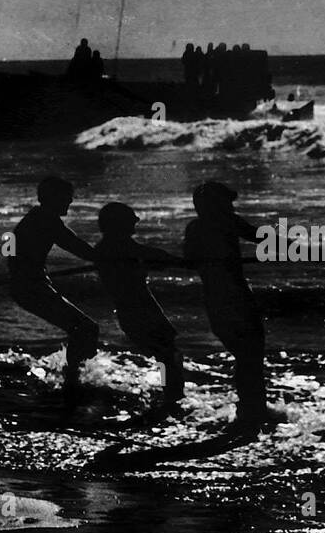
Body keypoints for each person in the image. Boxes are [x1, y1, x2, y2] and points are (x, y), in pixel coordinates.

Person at [183, 181, 283, 428]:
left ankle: (249, 408)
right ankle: (253, 410)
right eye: (226, 202)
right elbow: (266, 239)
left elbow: (189, 260)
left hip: (216, 299)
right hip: (235, 297)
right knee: (251, 353)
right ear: (214, 205)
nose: (230, 207)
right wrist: (318, 253)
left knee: (245, 353)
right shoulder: (226, 222)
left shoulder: (197, 228)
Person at [8, 176, 102, 403]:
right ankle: (72, 381)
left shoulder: (36, 217)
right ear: (53, 198)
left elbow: (11, 253)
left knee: (83, 329)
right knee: (86, 329)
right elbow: (76, 246)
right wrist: (109, 258)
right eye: (67, 197)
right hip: (32, 288)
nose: (70, 201)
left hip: (30, 286)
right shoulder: (46, 220)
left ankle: (74, 376)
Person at [92, 201, 186, 406]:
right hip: (138, 310)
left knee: (167, 352)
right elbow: (149, 254)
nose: (135, 223)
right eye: (129, 220)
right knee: (167, 353)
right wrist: (177, 261)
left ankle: (170, 394)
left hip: (139, 308)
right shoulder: (117, 246)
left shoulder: (110, 249)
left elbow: (144, 259)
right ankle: (172, 396)